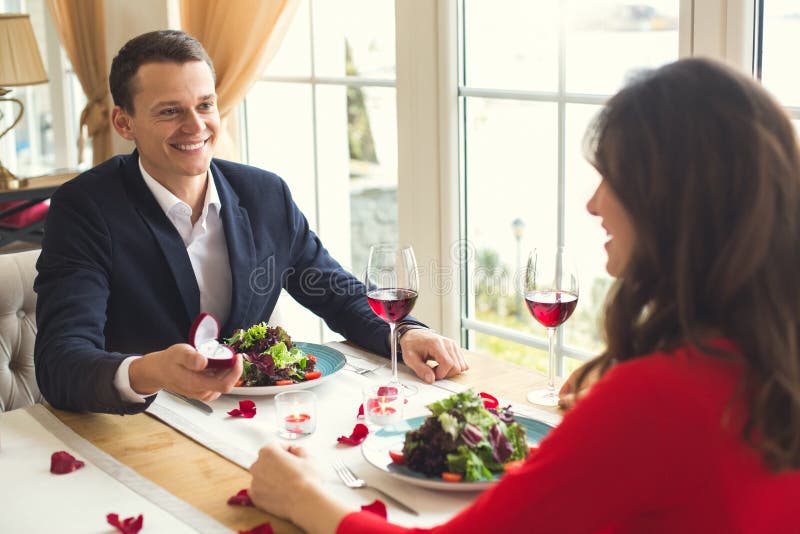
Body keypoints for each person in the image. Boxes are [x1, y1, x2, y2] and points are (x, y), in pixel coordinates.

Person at [247, 57, 800, 532]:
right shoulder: (767, 363)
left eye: (612, 179)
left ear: (676, 204)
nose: (594, 204)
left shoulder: (656, 397)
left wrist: (303, 498)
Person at [33, 30, 466, 415]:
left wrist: (404, 334)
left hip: (251, 420)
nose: (196, 126)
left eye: (205, 104)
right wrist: (150, 371)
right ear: (124, 123)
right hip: (142, 425)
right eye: (170, 111)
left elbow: (336, 293)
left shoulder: (265, 195)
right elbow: (59, 363)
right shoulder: (85, 208)